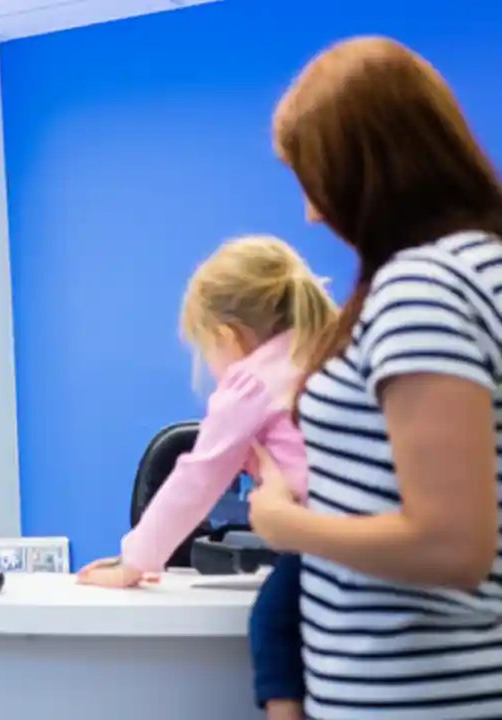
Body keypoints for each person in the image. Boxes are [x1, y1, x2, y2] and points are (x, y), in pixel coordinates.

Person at [247, 36, 502, 720]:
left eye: (312, 177)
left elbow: (452, 544)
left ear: (362, 168)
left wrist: (286, 524)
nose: (311, 211)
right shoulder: (481, 265)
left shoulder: (423, 287)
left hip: (416, 700)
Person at [77, 235, 336, 719]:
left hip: (321, 542)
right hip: (363, 528)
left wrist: (135, 560)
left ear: (228, 337)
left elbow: (197, 478)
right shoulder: (324, 354)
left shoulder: (251, 383)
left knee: (273, 621)